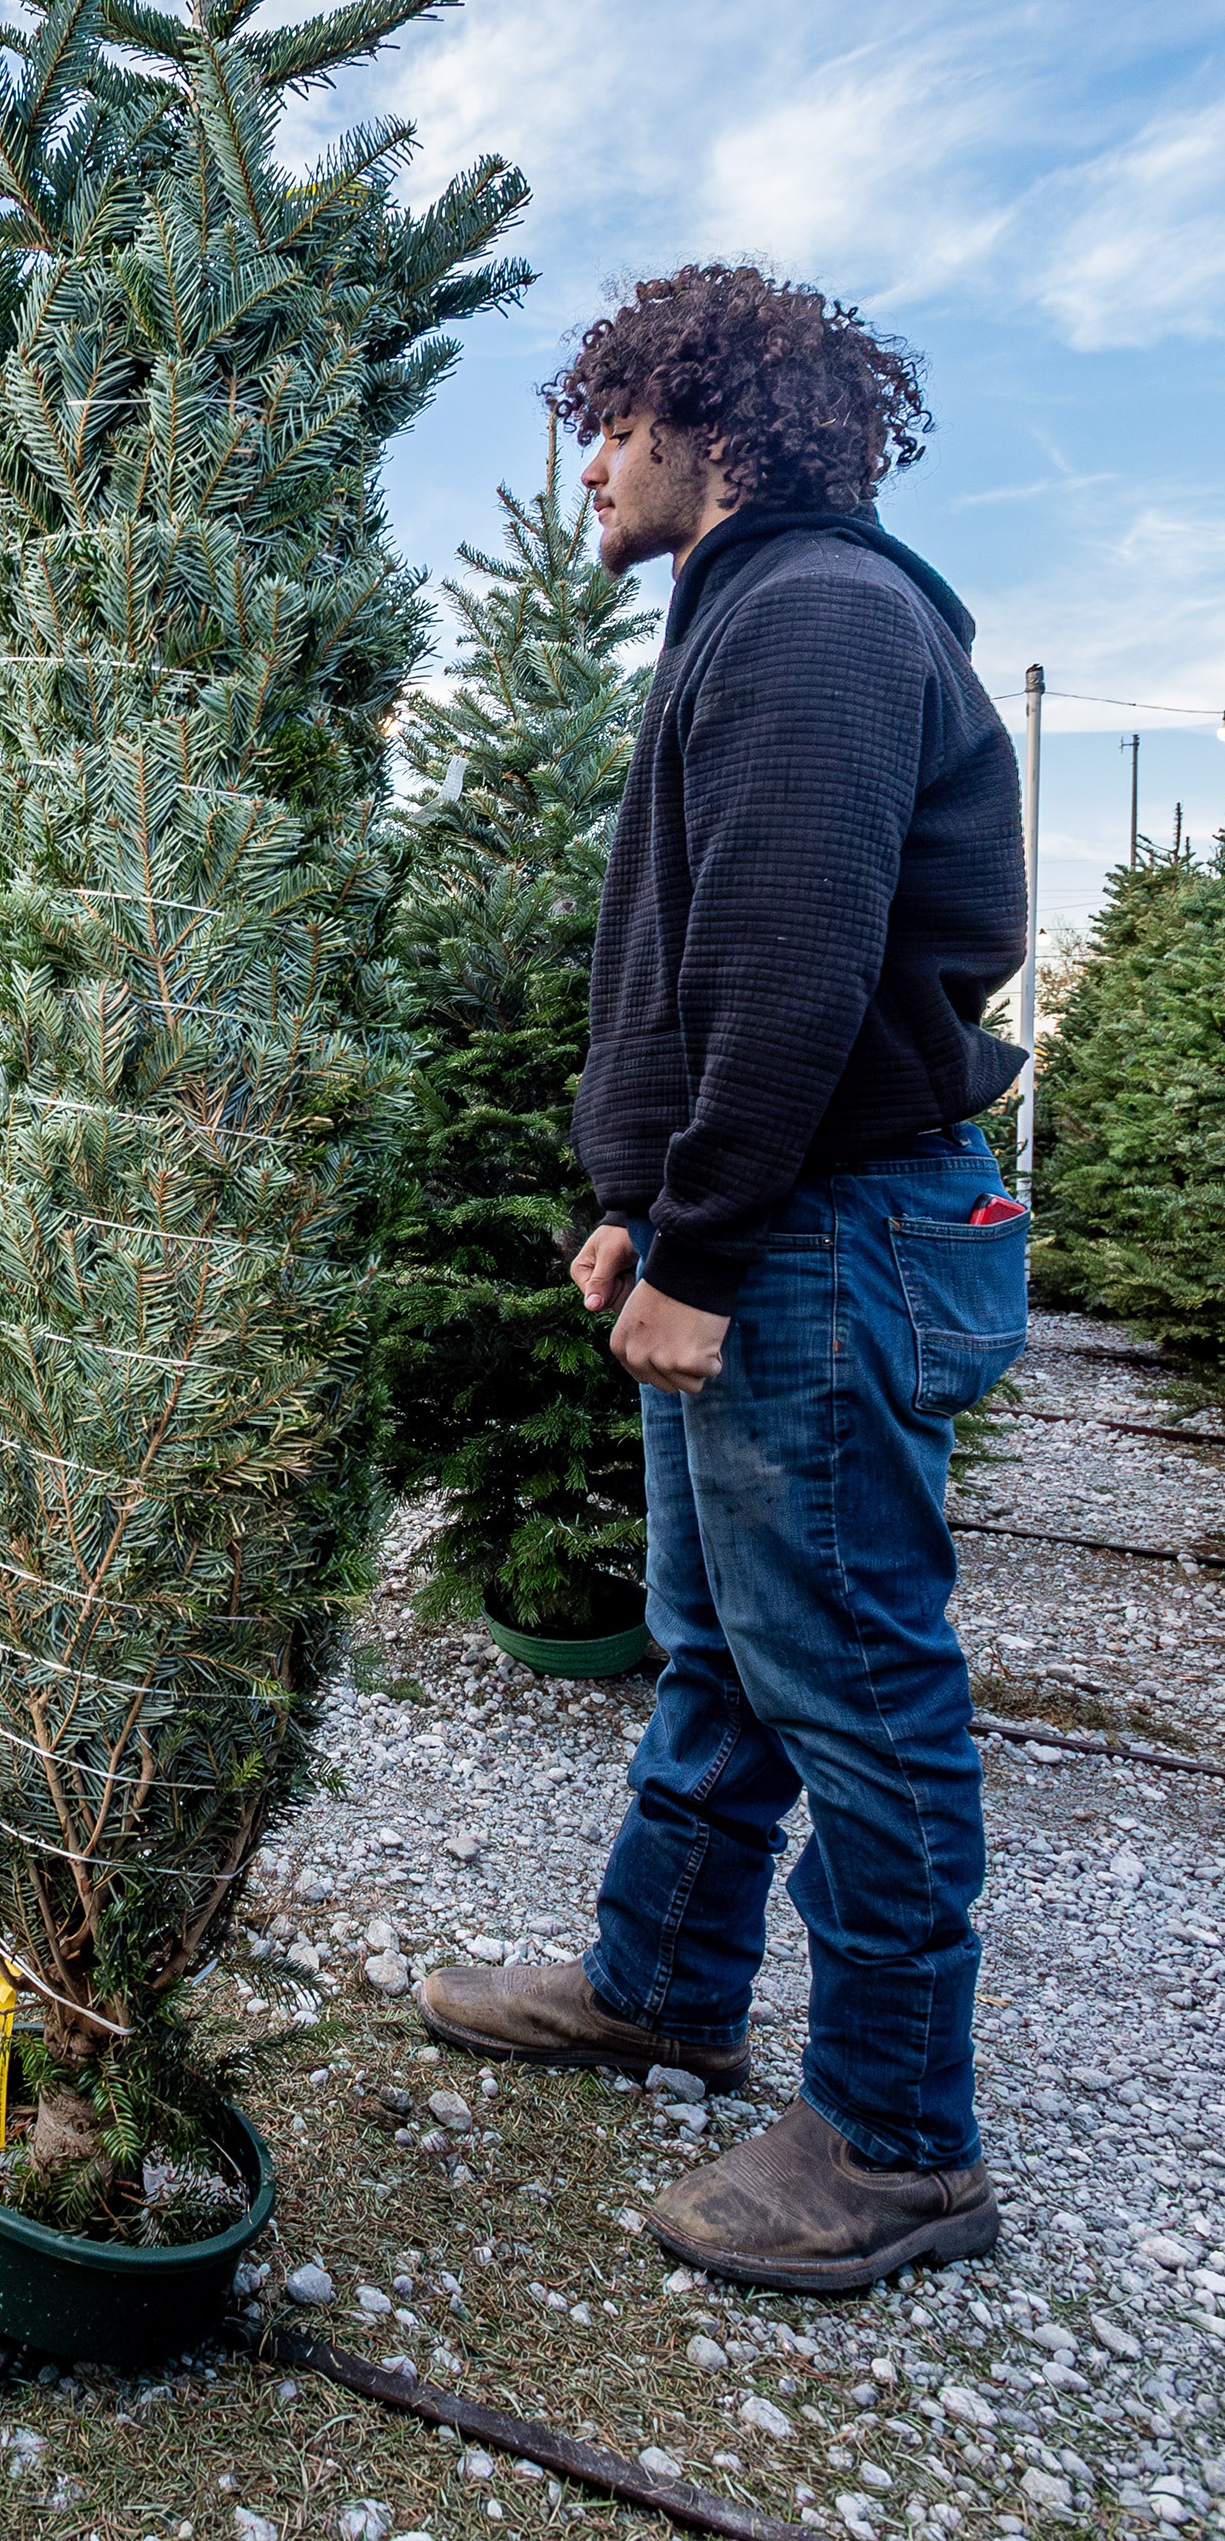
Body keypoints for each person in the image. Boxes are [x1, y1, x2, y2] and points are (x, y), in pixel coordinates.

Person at [420, 265, 1029, 2293]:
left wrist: (704, 1243)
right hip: (764, 1221)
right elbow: (694, 954)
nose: (588, 457)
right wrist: (636, 1198)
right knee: (718, 1645)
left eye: (616, 416)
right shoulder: (753, 615)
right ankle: (663, 1985)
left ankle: (898, 2140)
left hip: (828, 1238)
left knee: (855, 1681)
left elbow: (791, 971)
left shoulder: (824, 621)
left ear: (721, 430)